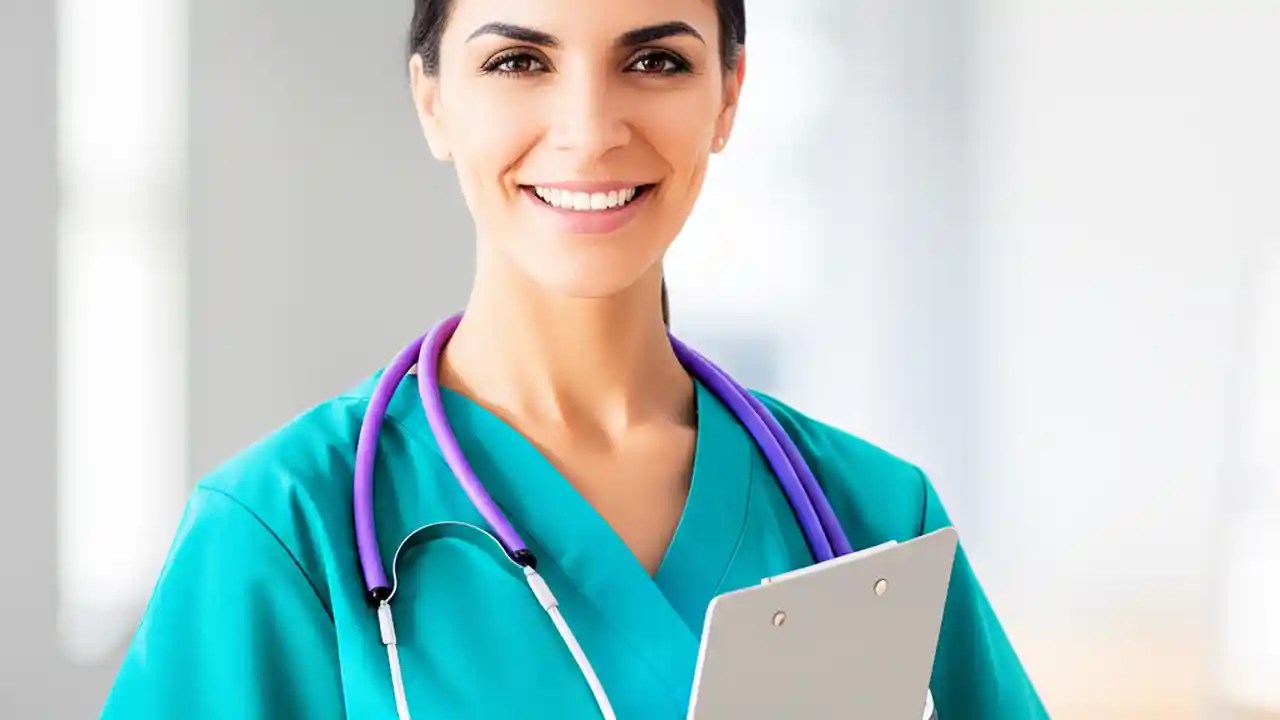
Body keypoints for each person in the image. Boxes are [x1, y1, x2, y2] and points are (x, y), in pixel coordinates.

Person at [102, 0, 1048, 717]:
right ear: (433, 100)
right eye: (520, 60)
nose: (590, 131)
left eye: (655, 59)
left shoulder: (874, 517)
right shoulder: (283, 531)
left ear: (728, 96)